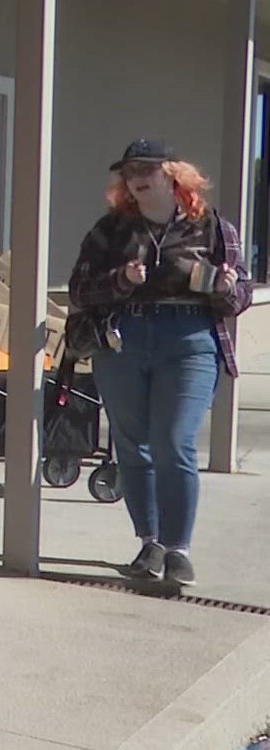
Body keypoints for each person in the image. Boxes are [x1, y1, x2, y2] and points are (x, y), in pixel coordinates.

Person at [68, 140, 252, 588]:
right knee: (132, 445)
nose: (136, 176)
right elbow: (78, 290)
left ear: (173, 175)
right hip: (124, 339)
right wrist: (121, 280)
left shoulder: (211, 228)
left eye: (146, 168)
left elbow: (242, 296)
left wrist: (225, 288)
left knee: (174, 441)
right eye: (129, 170)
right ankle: (149, 542)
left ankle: (178, 549)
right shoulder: (110, 230)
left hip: (189, 339)